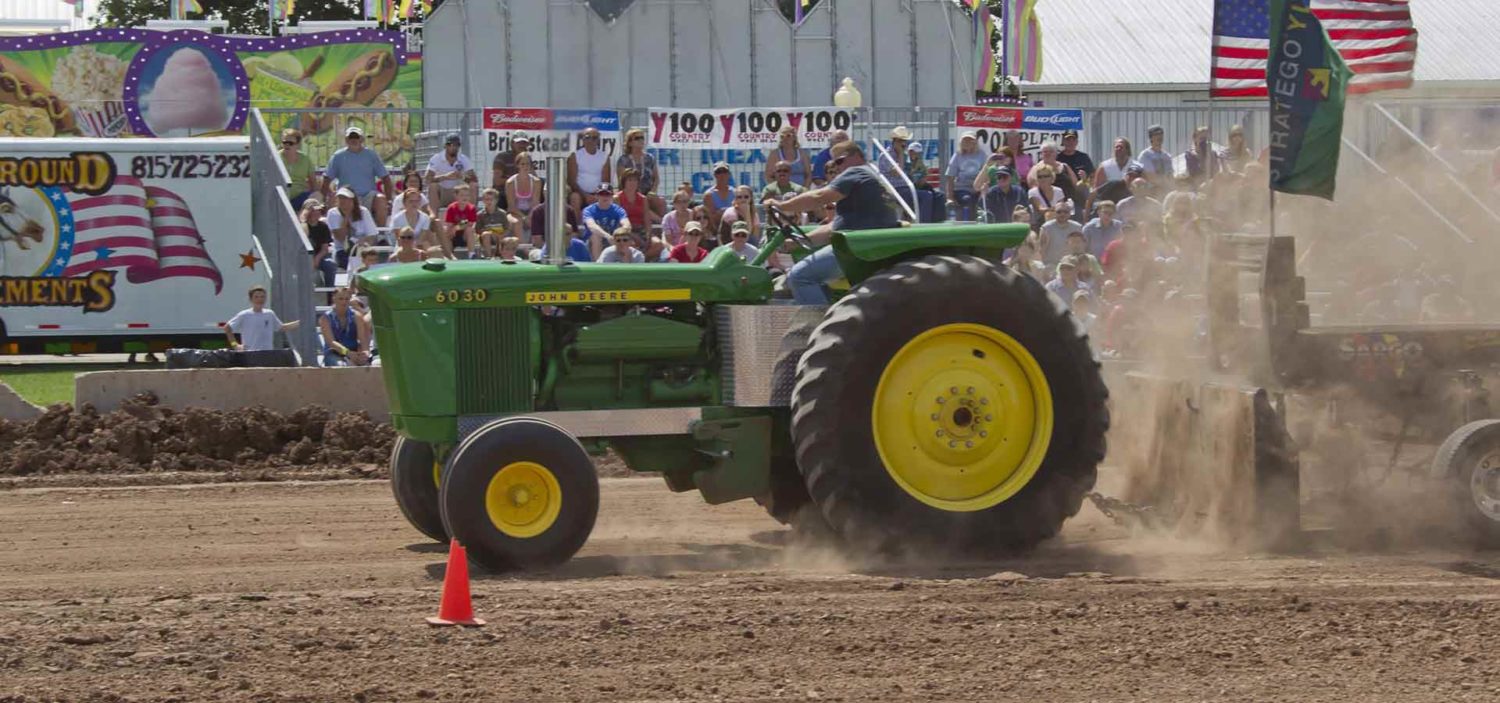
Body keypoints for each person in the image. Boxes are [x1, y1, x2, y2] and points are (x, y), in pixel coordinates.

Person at [771, 141, 899, 305]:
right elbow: (834, 227)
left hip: (854, 248)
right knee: (816, 278)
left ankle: (816, 325)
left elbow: (819, 197)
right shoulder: (871, 178)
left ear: (857, 156)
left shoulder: (857, 172)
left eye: (839, 161)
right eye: (833, 163)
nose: (837, 167)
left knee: (799, 276)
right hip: (863, 244)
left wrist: (782, 205)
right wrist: (801, 241)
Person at [322, 126, 392, 226]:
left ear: (362, 139)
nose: (354, 140)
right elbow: (327, 178)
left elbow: (385, 178)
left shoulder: (371, 155)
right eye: (351, 137)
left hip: (368, 196)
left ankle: (381, 235)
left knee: (381, 199)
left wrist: (389, 200)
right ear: (346, 140)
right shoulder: (337, 156)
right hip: (345, 195)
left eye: (357, 137)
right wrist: (325, 198)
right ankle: (333, 234)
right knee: (334, 198)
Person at [224, 285, 298, 352]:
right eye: (256, 297)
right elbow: (227, 328)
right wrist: (235, 345)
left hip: (267, 353)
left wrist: (301, 322)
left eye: (262, 297)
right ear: (251, 299)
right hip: (250, 353)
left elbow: (281, 327)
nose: (260, 299)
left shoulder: (269, 314)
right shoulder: (244, 315)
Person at [616, 128, 665, 219]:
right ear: (630, 143)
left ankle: (661, 226)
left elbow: (656, 179)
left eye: (642, 138)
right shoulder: (623, 160)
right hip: (631, 193)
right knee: (642, 201)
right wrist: (637, 194)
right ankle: (661, 222)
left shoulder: (649, 158)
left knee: (660, 201)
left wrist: (652, 191)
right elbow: (621, 181)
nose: (641, 140)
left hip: (648, 192)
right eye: (637, 138)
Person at [327, 186, 379, 270]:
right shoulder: (332, 213)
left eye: (345, 198)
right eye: (340, 197)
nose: (342, 200)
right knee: (348, 263)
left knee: (369, 259)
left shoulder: (363, 211)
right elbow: (340, 237)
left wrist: (361, 242)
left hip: (362, 249)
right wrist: (346, 216)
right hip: (342, 250)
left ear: (352, 200)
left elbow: (372, 236)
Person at [319, 287, 371, 367]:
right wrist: (347, 353)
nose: (344, 302)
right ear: (334, 299)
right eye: (341, 299)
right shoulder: (325, 318)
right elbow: (331, 342)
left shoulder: (356, 316)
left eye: (347, 299)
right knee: (341, 366)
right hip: (334, 352)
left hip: (354, 351)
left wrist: (365, 352)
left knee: (367, 365)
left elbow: (362, 338)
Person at [424, 133, 476, 212]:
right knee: (433, 186)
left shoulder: (463, 159)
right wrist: (445, 177)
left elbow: (474, 179)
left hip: (458, 192)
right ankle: (434, 216)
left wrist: (462, 176)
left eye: (456, 145)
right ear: (445, 146)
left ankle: (471, 213)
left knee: (473, 185)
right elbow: (427, 179)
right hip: (442, 193)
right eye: (450, 144)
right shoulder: (436, 158)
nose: (453, 147)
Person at [567, 127, 612, 216]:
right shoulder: (575, 156)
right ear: (583, 139)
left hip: (598, 193)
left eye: (594, 138)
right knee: (575, 198)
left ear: (598, 140)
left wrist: (597, 195)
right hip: (579, 193)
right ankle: (577, 228)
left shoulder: (604, 157)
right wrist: (585, 195)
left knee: (606, 198)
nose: (591, 140)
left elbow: (605, 181)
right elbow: (571, 181)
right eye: (588, 137)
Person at [945, 132, 987, 220]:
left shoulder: (982, 154)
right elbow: (950, 177)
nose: (967, 142)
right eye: (965, 140)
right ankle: (968, 225)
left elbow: (986, 173)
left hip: (979, 188)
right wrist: (950, 197)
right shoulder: (957, 155)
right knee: (967, 199)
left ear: (975, 142)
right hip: (962, 189)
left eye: (970, 140)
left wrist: (984, 188)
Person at [1090, 138, 1139, 214]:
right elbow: (1097, 190)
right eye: (1116, 147)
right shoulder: (1105, 166)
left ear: (1127, 149)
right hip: (1109, 202)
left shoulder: (1137, 166)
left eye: (1121, 147)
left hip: (1130, 202)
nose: (1118, 149)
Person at [581, 184, 629, 260]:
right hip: (592, 243)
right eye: (601, 194)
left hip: (613, 239)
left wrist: (620, 234)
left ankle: (625, 266)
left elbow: (626, 224)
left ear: (612, 196)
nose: (604, 196)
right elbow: (592, 226)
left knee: (624, 238)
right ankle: (598, 266)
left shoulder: (618, 210)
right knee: (596, 236)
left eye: (607, 194)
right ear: (596, 196)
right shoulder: (588, 210)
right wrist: (607, 236)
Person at [1028, 142, 1081, 208]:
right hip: (1048, 207)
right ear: (1041, 154)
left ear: (1056, 154)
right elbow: (1035, 190)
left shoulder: (1065, 166)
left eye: (1051, 151)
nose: (1048, 154)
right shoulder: (1035, 169)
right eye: (1045, 152)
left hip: (1069, 205)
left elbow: (1076, 184)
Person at [505, 152, 542, 243]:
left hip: (530, 212)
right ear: (517, 165)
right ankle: (523, 249)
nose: (526, 166)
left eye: (528, 164)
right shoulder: (511, 182)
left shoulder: (536, 181)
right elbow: (511, 206)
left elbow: (535, 203)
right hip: (515, 212)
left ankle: (537, 246)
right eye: (522, 164)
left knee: (536, 220)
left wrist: (529, 216)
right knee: (518, 223)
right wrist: (524, 217)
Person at [1037, 200, 1082, 274]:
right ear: (1054, 213)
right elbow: (1041, 250)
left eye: (1065, 212)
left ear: (1070, 213)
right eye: (1059, 212)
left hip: (1072, 265)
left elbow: (1080, 248)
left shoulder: (1077, 227)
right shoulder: (1046, 228)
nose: (1062, 214)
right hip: (1051, 265)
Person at [279, 128, 318, 212]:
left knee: (316, 196)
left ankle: (302, 219)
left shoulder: (305, 159)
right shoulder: (275, 158)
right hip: (280, 198)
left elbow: (313, 182)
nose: (287, 145)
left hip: (300, 198)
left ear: (298, 145)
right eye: (284, 142)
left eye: (290, 143)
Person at [617, 168, 660, 242]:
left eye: (635, 180)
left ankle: (642, 253)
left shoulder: (643, 199)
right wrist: (632, 235)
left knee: (658, 243)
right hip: (624, 230)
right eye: (630, 180)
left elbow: (647, 219)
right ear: (624, 182)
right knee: (632, 242)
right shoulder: (617, 198)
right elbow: (617, 221)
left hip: (640, 229)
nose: (633, 182)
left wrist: (648, 234)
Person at [491, 131, 532, 207]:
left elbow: (533, 176)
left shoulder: (527, 158)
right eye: (519, 143)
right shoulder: (502, 157)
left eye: (524, 143)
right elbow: (497, 181)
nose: (522, 145)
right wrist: (517, 179)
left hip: (522, 194)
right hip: (503, 193)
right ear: (512, 143)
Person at [300, 198, 335, 287]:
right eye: (312, 211)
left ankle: (330, 294)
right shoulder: (300, 227)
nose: (316, 213)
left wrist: (316, 259)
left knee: (330, 265)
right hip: (303, 258)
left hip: (319, 257)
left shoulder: (323, 226)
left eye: (318, 210)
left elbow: (325, 249)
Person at [441, 184, 478, 258]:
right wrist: (454, 229)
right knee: (445, 231)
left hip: (465, 236)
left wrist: (457, 227)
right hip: (453, 235)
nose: (465, 197)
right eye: (462, 195)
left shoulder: (471, 208)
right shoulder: (451, 208)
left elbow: (470, 223)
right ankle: (449, 255)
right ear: (456, 196)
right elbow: (449, 224)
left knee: (470, 230)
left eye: (467, 195)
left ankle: (472, 255)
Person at [700, 162, 736, 238]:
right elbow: (710, 218)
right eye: (719, 172)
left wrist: (722, 212)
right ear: (715, 175)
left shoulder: (734, 193)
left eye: (724, 172)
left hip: (734, 231)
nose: (722, 175)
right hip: (716, 232)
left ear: (729, 174)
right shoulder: (709, 195)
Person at [475, 187, 509, 259]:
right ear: (483, 201)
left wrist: (501, 234)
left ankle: (500, 255)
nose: (489, 202)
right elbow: (477, 229)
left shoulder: (502, 213)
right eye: (487, 199)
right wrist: (489, 232)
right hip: (486, 237)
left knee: (503, 237)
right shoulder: (480, 214)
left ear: (496, 200)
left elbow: (507, 228)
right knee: (486, 234)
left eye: (491, 199)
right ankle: (489, 256)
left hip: (499, 236)